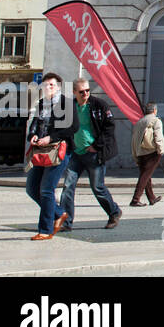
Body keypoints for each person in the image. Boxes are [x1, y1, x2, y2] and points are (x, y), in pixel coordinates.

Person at [59, 78, 122, 231]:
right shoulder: (70, 107)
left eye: (87, 90)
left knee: (97, 187)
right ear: (74, 92)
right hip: (76, 153)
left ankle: (114, 212)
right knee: (67, 186)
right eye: (82, 92)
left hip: (94, 154)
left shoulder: (99, 105)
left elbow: (109, 128)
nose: (86, 94)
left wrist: (96, 145)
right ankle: (67, 222)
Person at [24, 73, 75, 241]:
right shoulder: (41, 105)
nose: (48, 88)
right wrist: (32, 135)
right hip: (40, 151)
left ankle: (45, 230)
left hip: (57, 150)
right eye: (45, 85)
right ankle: (60, 214)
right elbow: (33, 125)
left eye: (51, 85)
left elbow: (73, 127)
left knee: (46, 189)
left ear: (58, 87)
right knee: (32, 188)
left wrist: (51, 138)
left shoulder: (66, 104)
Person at [129, 102, 164, 207]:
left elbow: (134, 140)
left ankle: (152, 198)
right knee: (145, 176)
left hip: (140, 153)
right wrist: (161, 150)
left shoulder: (139, 122)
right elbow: (158, 136)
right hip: (151, 152)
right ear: (154, 110)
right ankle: (135, 199)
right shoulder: (156, 121)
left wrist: (135, 153)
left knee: (146, 175)